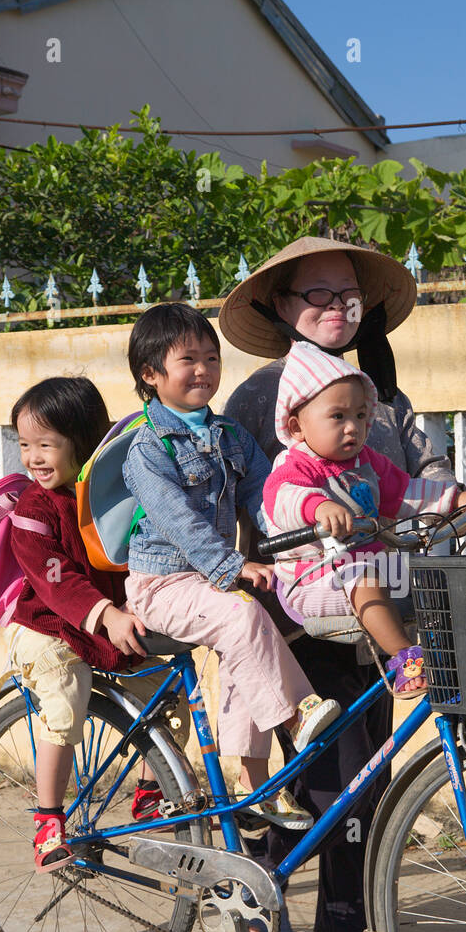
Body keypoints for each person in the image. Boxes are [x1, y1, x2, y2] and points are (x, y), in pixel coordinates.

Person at [221, 236, 455, 932]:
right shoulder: (261, 398)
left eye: (346, 295)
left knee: (372, 776)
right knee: (313, 775)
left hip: (381, 607)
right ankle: (266, 900)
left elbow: (420, 477)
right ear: (282, 306)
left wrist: (448, 499)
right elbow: (247, 501)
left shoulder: (387, 401)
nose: (333, 307)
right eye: (315, 294)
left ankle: (344, 918)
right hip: (300, 615)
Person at [119, 302, 340, 862]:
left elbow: (264, 502)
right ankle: (295, 713)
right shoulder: (147, 446)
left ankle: (251, 784)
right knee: (244, 615)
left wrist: (307, 539)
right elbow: (178, 521)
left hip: (211, 582)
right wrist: (232, 566)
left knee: (251, 632)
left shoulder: (231, 436)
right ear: (151, 374)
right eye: (187, 360)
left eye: (211, 358)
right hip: (162, 586)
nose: (203, 370)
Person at [263, 340, 466, 695]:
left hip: (365, 566)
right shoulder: (295, 465)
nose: (352, 427)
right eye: (338, 416)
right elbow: (284, 499)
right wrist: (319, 507)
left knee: (434, 577)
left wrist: (454, 498)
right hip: (310, 579)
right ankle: (405, 660)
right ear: (296, 427)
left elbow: (405, 492)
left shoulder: (367, 461)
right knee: (364, 577)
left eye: (360, 416)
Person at [6, 376, 152, 872]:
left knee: (160, 680)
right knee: (66, 687)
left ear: (83, 443)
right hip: (45, 622)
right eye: (25, 445)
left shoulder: (108, 493)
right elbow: (55, 579)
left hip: (103, 621)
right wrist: (106, 614)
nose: (33, 457)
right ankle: (48, 821)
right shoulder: (34, 509)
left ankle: (154, 790)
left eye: (46, 444)